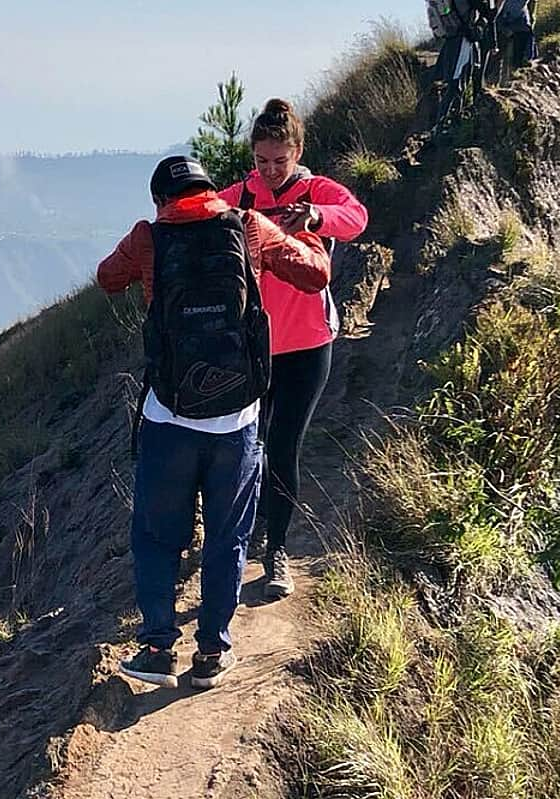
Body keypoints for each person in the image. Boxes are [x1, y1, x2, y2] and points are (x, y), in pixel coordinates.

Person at [98, 155, 331, 689]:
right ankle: (211, 653)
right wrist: (308, 231)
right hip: (238, 420)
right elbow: (315, 275)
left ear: (161, 200)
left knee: (157, 536)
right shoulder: (248, 225)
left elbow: (107, 278)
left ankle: (158, 649)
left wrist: (146, 260)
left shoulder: (149, 236)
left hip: (169, 416)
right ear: (211, 191)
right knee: (228, 537)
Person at [217, 99, 368, 600]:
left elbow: (356, 217)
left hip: (308, 344)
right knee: (246, 447)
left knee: (282, 446)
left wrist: (317, 217)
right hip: (254, 344)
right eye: (262, 161)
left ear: (297, 151)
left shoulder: (314, 188)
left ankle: (275, 551)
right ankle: (240, 538)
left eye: (279, 160)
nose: (270, 170)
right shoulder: (240, 196)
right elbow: (203, 215)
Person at [498, 0, 537, 70]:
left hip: (519, 20)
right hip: (505, 18)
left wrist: (531, 17)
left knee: (526, 33)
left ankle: (523, 59)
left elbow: (533, 3)